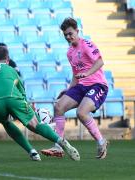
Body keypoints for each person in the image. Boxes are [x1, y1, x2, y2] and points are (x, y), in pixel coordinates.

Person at [0, 46, 80, 161]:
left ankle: (31, 151)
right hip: (13, 98)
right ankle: (60, 141)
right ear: (7, 60)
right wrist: (25, 111)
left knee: (6, 122)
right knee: (36, 124)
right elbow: (22, 94)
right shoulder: (12, 70)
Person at [41, 17, 109, 159]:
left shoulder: (87, 44)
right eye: (65, 34)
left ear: (77, 31)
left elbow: (100, 62)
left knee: (81, 112)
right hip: (81, 86)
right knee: (59, 106)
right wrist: (69, 89)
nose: (68, 37)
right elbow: (75, 74)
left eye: (70, 33)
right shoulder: (70, 52)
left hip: (98, 85)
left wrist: (87, 73)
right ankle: (58, 146)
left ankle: (101, 142)